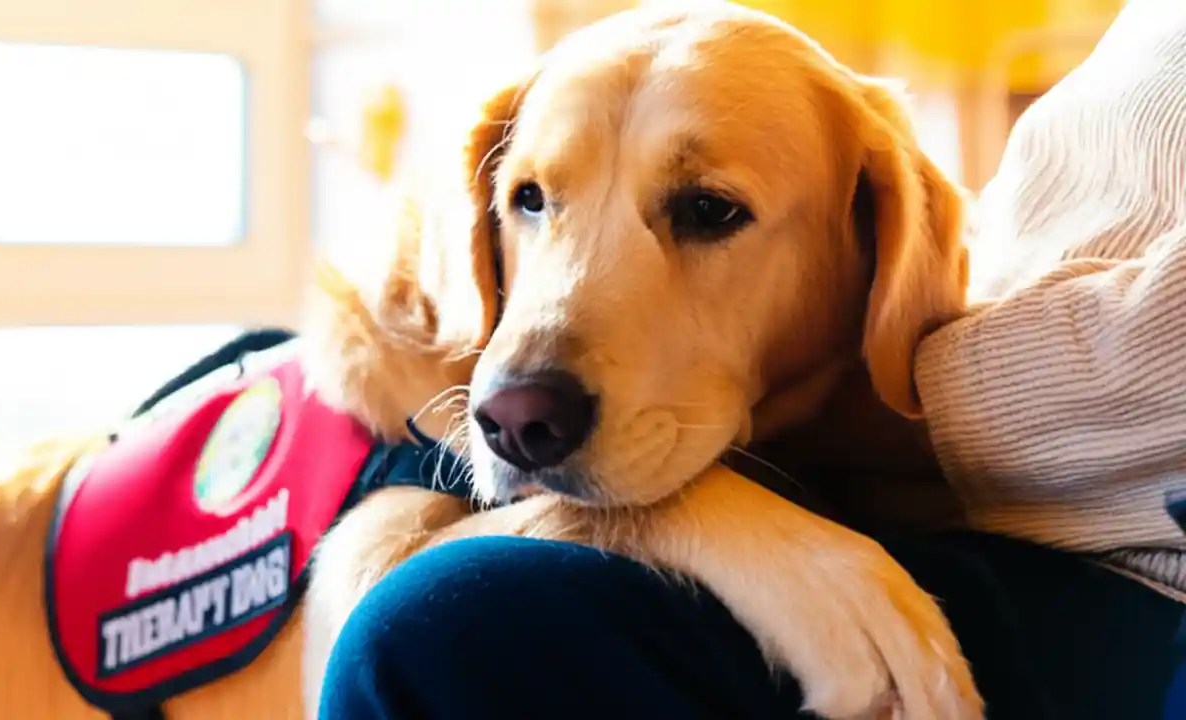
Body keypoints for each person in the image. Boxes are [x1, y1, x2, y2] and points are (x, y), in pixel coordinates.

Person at [318, 1, 1186, 717]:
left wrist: (925, 397)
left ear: (879, 241)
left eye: (707, 210)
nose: (518, 382)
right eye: (534, 199)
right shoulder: (421, 360)